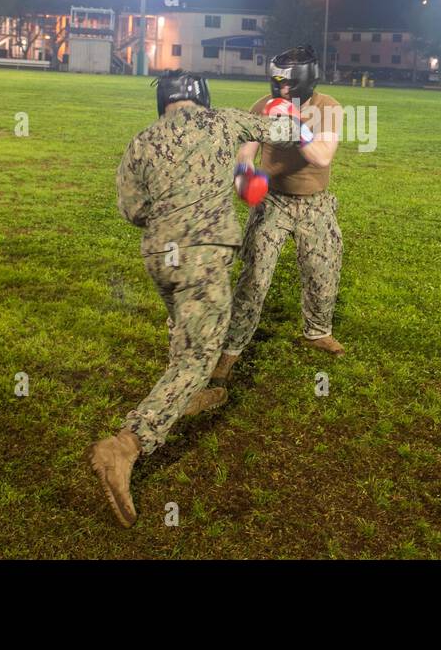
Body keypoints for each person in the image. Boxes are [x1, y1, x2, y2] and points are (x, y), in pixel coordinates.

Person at [89, 70, 323, 528]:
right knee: (199, 356)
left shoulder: (141, 140)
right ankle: (126, 446)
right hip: (203, 253)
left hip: (160, 255)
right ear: (204, 97)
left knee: (184, 332)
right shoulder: (226, 121)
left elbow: (131, 210)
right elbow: (292, 132)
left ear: (164, 102)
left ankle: (185, 396)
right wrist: (292, 110)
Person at [198, 46, 343, 400]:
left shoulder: (329, 108)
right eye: (276, 82)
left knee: (322, 273)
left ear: (306, 82)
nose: (279, 90)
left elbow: (322, 156)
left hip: (315, 204)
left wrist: (294, 127)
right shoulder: (262, 106)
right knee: (255, 278)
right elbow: (246, 151)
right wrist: (243, 175)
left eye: (286, 84)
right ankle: (229, 352)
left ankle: (317, 331)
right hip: (273, 203)